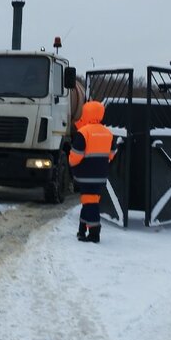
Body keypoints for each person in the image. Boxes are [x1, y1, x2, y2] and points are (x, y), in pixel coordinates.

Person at [69, 100, 117, 243]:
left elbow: (75, 157)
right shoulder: (108, 133)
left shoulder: (83, 133)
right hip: (100, 175)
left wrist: (71, 163)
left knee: (90, 203)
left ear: (86, 113)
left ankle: (94, 233)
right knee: (90, 201)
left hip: (85, 175)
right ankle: (82, 230)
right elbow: (112, 153)